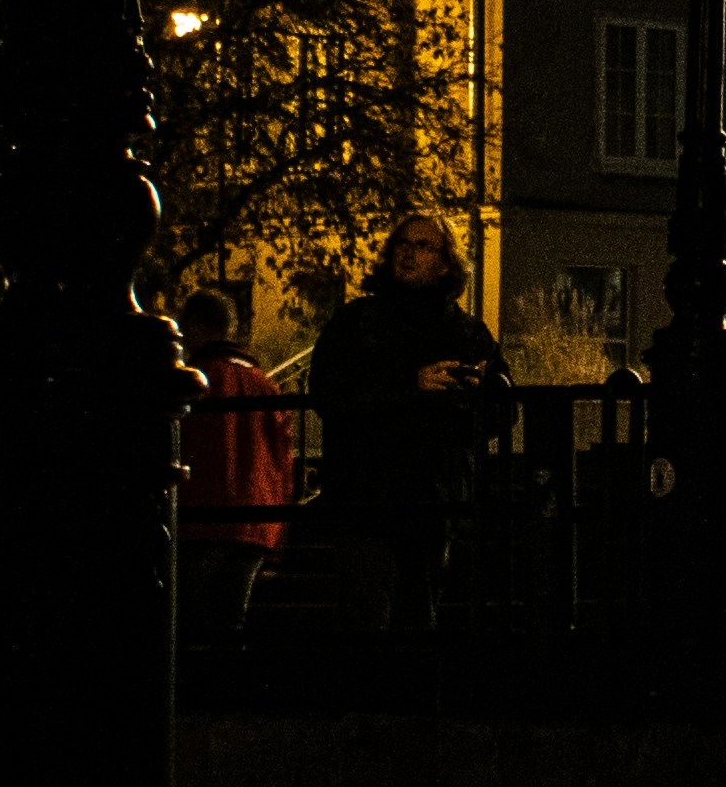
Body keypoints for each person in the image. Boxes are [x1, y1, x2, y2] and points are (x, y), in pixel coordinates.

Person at [304, 218, 509, 632]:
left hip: (432, 499)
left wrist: (478, 392)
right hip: (368, 499)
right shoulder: (356, 321)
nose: (409, 253)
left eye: (423, 246)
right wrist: (410, 384)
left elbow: (502, 413)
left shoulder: (467, 331)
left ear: (447, 263)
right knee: (367, 621)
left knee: (417, 623)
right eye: (403, 243)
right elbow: (328, 391)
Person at [175, 289, 296, 642]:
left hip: (202, 518)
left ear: (196, 327)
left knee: (189, 620)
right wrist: (277, 536)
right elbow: (282, 463)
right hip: (254, 522)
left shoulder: (196, 381)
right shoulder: (265, 386)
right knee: (230, 619)